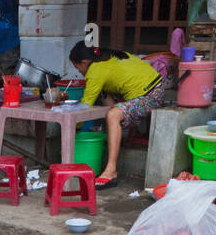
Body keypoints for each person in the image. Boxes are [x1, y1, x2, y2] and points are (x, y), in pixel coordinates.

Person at [68, 41, 168, 189]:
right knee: (111, 112)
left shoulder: (95, 70)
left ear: (84, 62)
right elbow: (108, 101)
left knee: (113, 115)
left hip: (151, 95)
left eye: (78, 67)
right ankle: (110, 161)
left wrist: (72, 130)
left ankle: (111, 171)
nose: (79, 72)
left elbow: (85, 108)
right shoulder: (111, 56)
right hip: (154, 88)